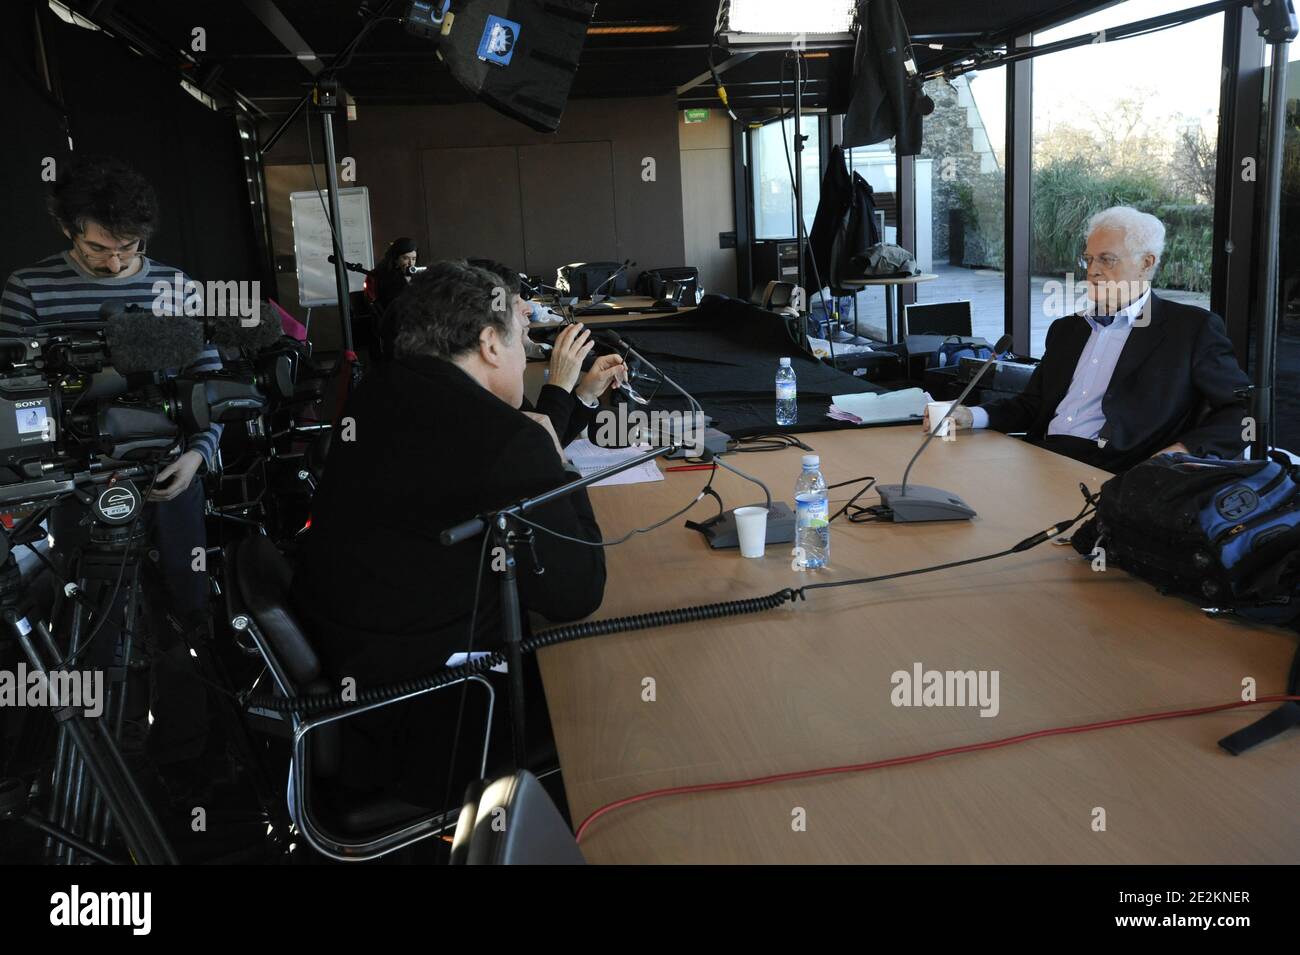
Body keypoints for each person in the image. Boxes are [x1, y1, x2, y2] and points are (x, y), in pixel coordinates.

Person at [292, 260, 608, 800]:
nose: (525, 353)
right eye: (523, 337)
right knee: (618, 693)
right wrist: (559, 459)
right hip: (446, 719)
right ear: (490, 344)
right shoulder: (506, 439)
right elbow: (577, 592)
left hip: (358, 692)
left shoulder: (374, 396)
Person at [0, 155, 222, 780]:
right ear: (70, 230)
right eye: (99, 249)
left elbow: (207, 383)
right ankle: (94, 770)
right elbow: (13, 395)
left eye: (128, 248)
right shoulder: (30, 289)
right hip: (81, 490)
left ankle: (185, 753)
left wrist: (196, 454)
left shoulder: (174, 284)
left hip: (172, 477)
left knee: (186, 610)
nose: (117, 262)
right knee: (90, 621)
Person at [928, 206, 1251, 471]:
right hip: (1041, 457)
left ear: (1146, 263)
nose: (1092, 271)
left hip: (1116, 471)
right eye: (1089, 259)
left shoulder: (1191, 329)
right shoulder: (1069, 329)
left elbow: (1243, 411)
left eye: (1106, 259)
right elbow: (1033, 405)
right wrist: (971, 415)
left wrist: (1180, 451)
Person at [470, 258, 626, 446]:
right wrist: (559, 385)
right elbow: (542, 449)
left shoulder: (486, 377)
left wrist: (585, 394)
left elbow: (553, 436)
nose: (528, 308)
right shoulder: (479, 394)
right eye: (516, 301)